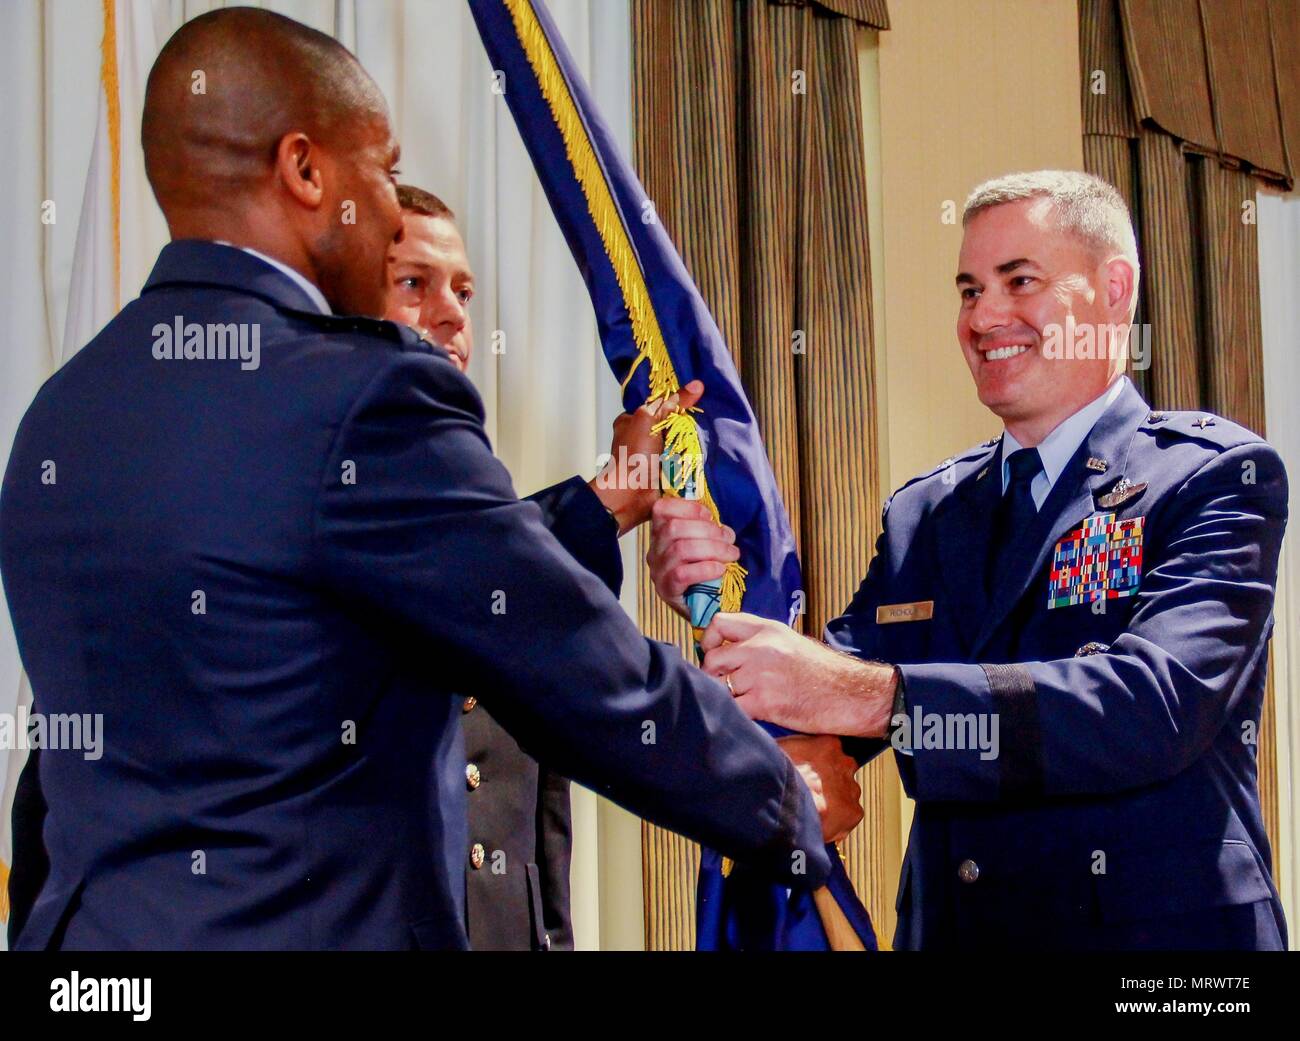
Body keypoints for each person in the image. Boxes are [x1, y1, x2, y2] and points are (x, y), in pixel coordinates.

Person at [0, 7, 863, 950]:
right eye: (378, 169)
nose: (386, 208)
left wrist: (604, 497)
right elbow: (566, 660)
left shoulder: (64, 413)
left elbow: (320, 603)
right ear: (305, 171)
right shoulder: (362, 394)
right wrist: (782, 794)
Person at [649, 170, 1289, 950]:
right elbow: (821, 690)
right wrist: (718, 599)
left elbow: (1149, 709)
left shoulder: (1213, 475)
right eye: (968, 289)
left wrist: (879, 699)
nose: (984, 316)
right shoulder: (929, 512)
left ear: (1114, 291)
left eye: (1019, 280)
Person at [385, 183, 642, 950]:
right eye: (413, 284)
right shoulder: (312, 499)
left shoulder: (486, 512)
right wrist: (610, 499)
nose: (453, 315)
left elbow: (543, 816)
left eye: (463, 290)